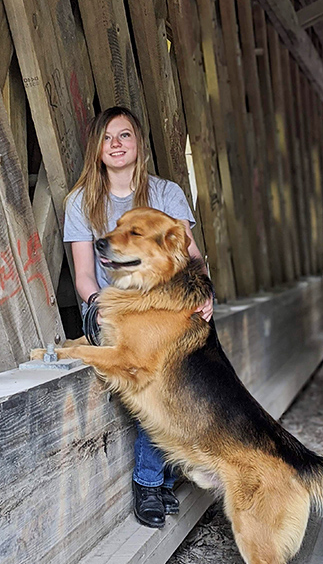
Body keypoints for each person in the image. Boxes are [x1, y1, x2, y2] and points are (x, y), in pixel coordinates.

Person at [63, 106, 214, 528]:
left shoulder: (166, 194)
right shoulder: (81, 202)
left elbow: (193, 258)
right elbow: (83, 277)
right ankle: (150, 481)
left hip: (167, 304)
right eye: (107, 137)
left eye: (124, 135)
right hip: (109, 308)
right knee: (150, 367)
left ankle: (162, 475)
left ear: (138, 145)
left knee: (173, 370)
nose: (115, 143)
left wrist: (208, 295)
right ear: (96, 147)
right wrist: (104, 308)